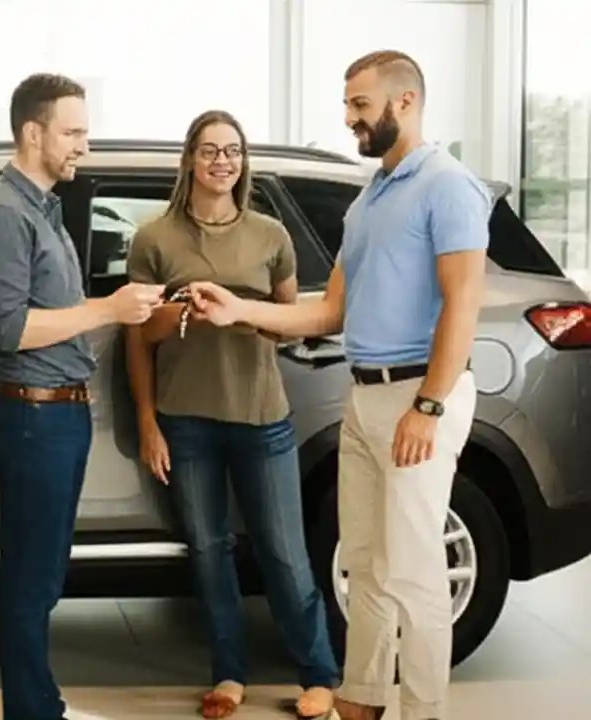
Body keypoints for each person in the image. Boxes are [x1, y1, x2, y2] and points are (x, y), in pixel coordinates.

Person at [187, 50, 489, 720]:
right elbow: (328, 313)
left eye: (359, 104)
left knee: (412, 570)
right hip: (366, 393)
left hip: (420, 394)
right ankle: (363, 696)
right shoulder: (370, 198)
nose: (349, 117)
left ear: (404, 101)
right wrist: (240, 309)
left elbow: (463, 303)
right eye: (348, 104)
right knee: (363, 562)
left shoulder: (447, 185)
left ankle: (424, 710)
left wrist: (428, 408)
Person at [123, 109, 340, 719]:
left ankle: (319, 673)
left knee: (285, 553)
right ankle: (229, 674)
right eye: (212, 150)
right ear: (190, 158)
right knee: (209, 550)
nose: (224, 161)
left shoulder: (270, 235)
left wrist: (236, 311)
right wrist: (147, 422)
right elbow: (139, 339)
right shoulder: (154, 239)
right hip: (184, 421)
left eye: (234, 151)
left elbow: (286, 329)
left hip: (262, 418)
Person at [0, 72, 166, 720]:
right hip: (31, 416)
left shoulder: (44, 207)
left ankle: (40, 701)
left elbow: (49, 310)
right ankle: (31, 712)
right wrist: (106, 308)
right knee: (29, 582)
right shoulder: (3, 212)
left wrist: (129, 310)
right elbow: (5, 327)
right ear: (33, 132)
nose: (85, 143)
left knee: (44, 576)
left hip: (55, 414)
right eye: (74, 131)